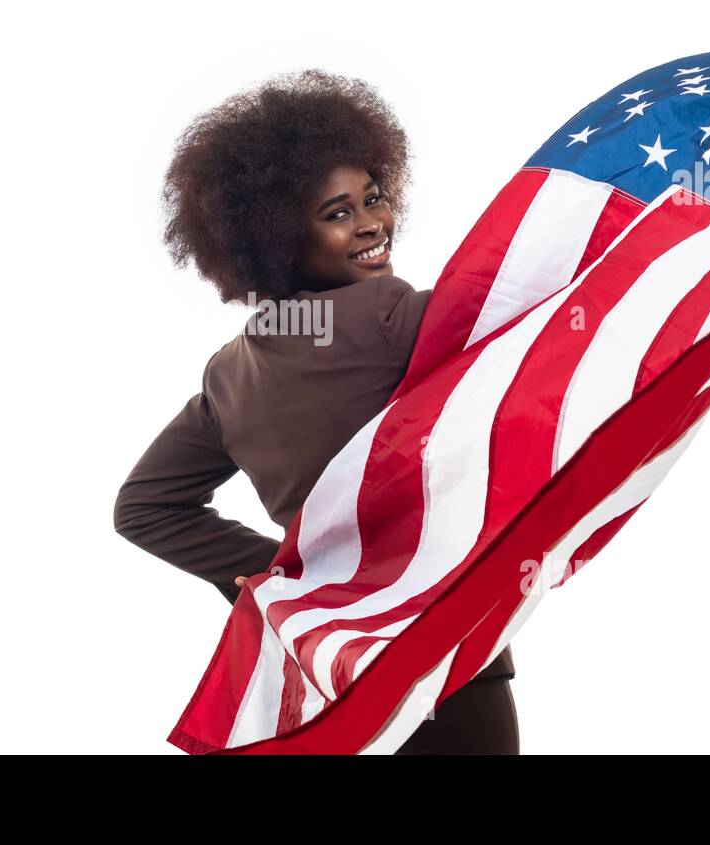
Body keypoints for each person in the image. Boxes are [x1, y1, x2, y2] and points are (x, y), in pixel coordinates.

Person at [113, 70, 517, 754]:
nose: (371, 224)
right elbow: (531, 316)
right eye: (336, 213)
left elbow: (143, 506)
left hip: (326, 683)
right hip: (443, 659)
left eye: (373, 198)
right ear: (275, 237)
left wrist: (282, 578)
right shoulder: (387, 314)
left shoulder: (226, 377)